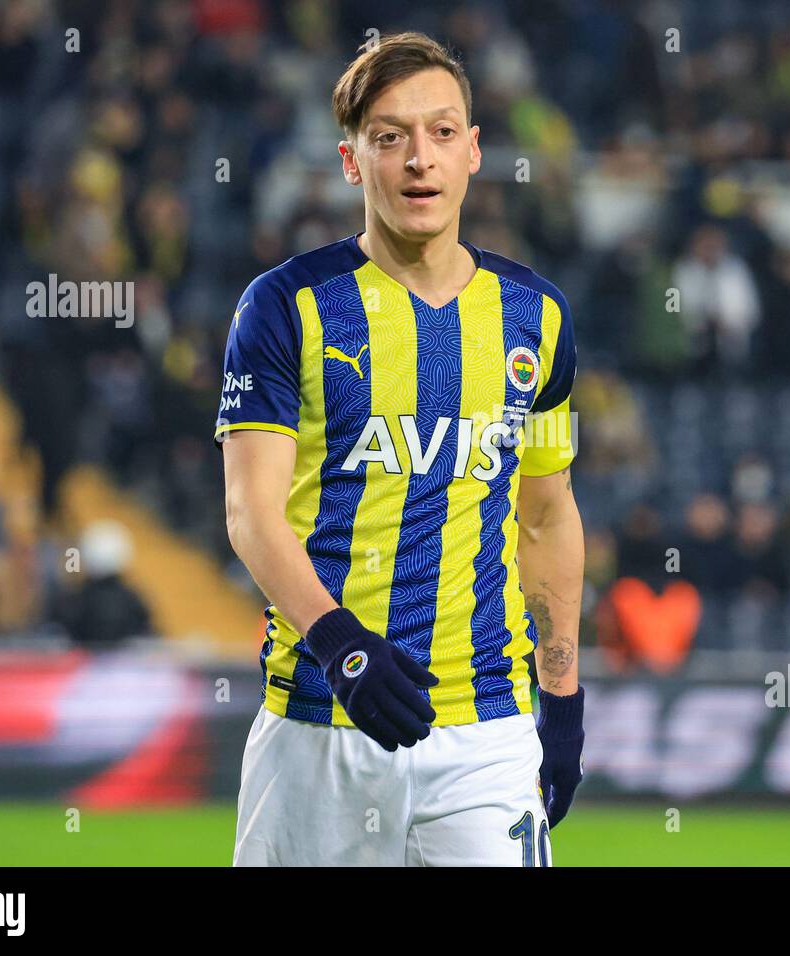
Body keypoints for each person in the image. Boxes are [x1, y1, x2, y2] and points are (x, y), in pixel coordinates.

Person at [217, 33, 585, 866]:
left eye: (442, 132)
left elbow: (548, 517)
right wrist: (341, 643)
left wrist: (561, 701)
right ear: (352, 161)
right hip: (317, 721)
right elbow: (250, 512)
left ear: (475, 152)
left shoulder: (540, 317)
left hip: (485, 730)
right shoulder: (284, 307)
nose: (420, 159)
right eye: (390, 137)